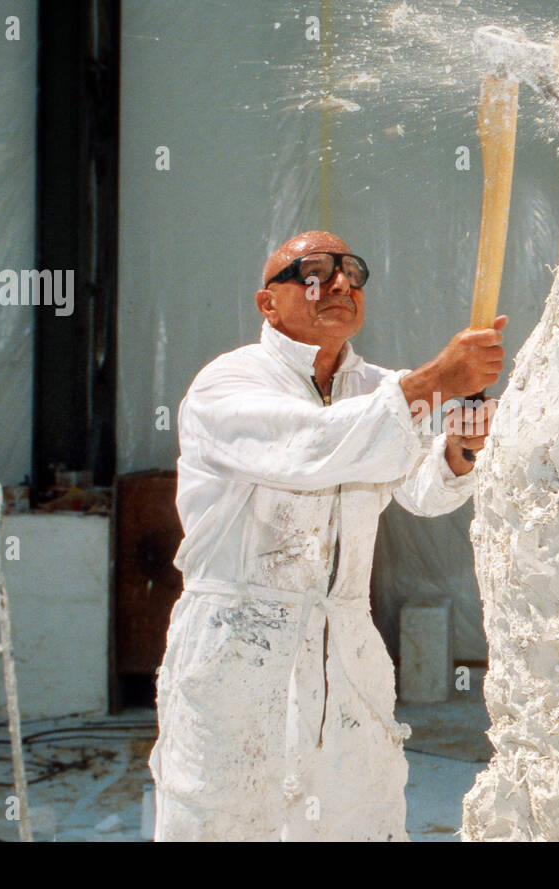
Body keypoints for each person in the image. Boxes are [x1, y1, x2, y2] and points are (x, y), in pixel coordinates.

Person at [149, 230, 506, 840]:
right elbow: (310, 446)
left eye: (353, 274)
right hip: (238, 638)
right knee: (224, 816)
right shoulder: (228, 384)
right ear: (268, 303)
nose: (340, 285)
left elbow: (420, 491)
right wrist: (433, 383)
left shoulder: (375, 388)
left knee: (355, 815)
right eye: (314, 273)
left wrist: (459, 451)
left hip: (344, 641)